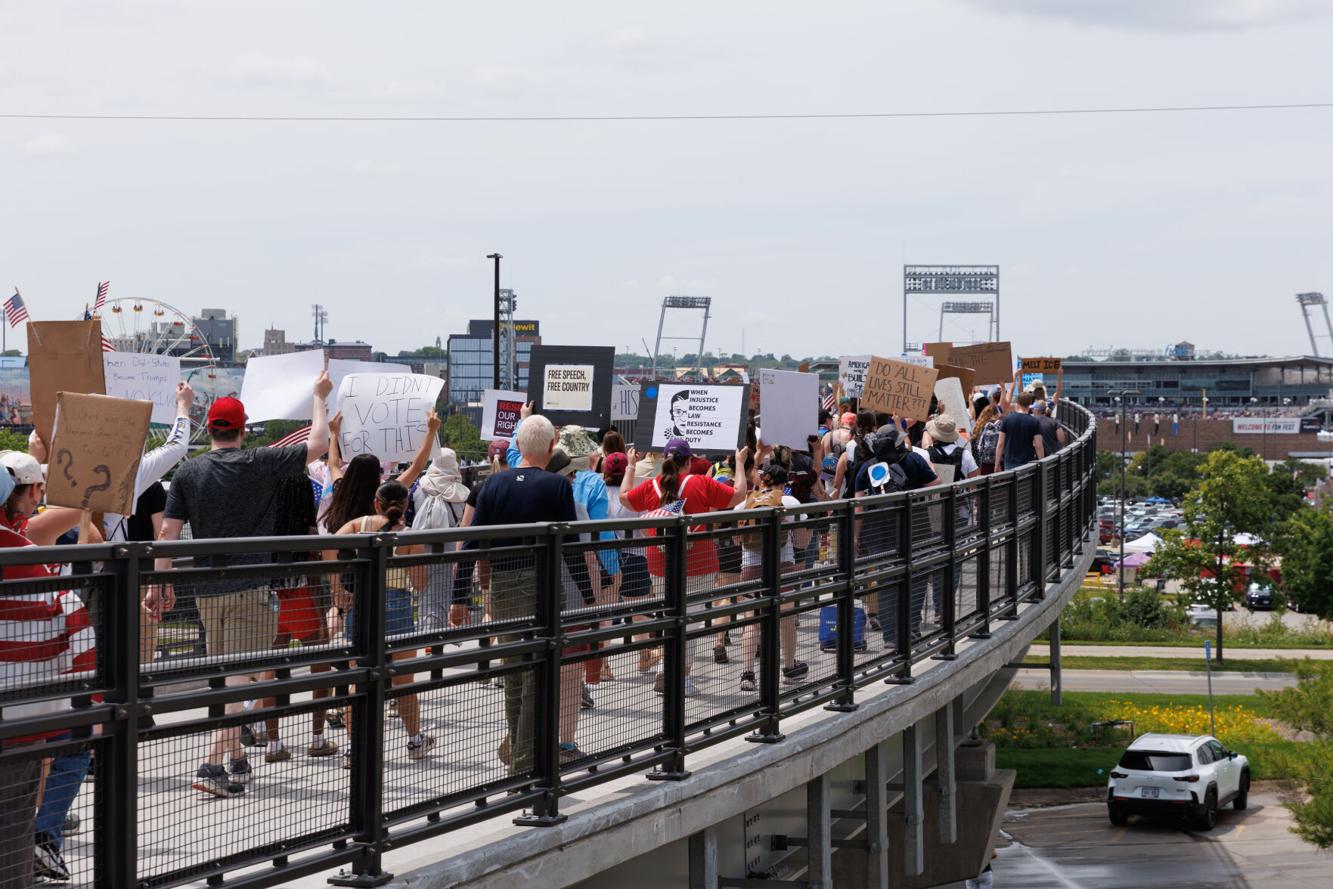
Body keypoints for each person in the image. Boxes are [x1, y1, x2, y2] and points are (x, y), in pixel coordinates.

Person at [156, 371, 333, 798]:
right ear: (242, 427)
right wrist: (319, 397)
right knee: (238, 681)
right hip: (251, 586)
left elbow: (168, 531)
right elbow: (320, 445)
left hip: (205, 590)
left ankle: (236, 758)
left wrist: (158, 581)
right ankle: (212, 763)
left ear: (211, 429)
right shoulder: (260, 463)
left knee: (230, 678)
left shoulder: (188, 472)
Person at [0, 457, 96, 885]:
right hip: (18, 723)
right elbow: (70, 626)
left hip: (21, 720)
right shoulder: (24, 554)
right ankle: (43, 840)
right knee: (12, 829)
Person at [471, 415, 580, 774]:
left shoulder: (493, 484)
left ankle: (520, 751)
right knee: (539, 674)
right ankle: (525, 762)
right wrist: (590, 596)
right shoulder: (557, 486)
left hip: (502, 586)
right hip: (541, 584)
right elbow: (571, 545)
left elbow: (473, 542)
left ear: (518, 447)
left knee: (514, 671)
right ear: (552, 447)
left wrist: (460, 595)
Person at [620, 438, 750, 695]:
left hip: (659, 563)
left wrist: (630, 466)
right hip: (698, 562)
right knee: (689, 621)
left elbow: (625, 499)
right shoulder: (700, 482)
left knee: (670, 616)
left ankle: (667, 669)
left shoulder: (651, 487)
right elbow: (739, 495)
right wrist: (740, 464)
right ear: (689, 461)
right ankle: (682, 678)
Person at [330, 480, 434, 768]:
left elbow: (327, 546)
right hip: (397, 606)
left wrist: (336, 587)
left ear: (376, 503)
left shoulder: (357, 525)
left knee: (357, 682)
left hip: (361, 605)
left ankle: (354, 747)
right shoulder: (409, 536)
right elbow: (421, 582)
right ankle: (414, 740)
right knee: (403, 680)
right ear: (404, 507)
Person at [852, 428, 938, 647]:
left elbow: (859, 505)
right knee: (917, 577)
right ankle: (912, 629)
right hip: (914, 527)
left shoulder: (867, 466)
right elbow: (935, 484)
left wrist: (855, 535)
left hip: (878, 531)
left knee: (885, 580)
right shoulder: (914, 459)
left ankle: (890, 635)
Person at [734, 462, 811, 692]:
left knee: (751, 620)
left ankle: (747, 674)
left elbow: (738, 540)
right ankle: (788, 668)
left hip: (750, 566)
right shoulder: (790, 502)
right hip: (782, 566)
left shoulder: (744, 503)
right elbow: (800, 543)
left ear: (762, 480)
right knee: (785, 616)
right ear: (784, 483)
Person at [995, 393, 1045, 472]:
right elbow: (1038, 445)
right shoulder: (1034, 421)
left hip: (1009, 464)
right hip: (1028, 464)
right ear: (1030, 403)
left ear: (1017, 402)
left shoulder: (1007, 420)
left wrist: (997, 464)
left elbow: (1000, 443)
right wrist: (1042, 465)